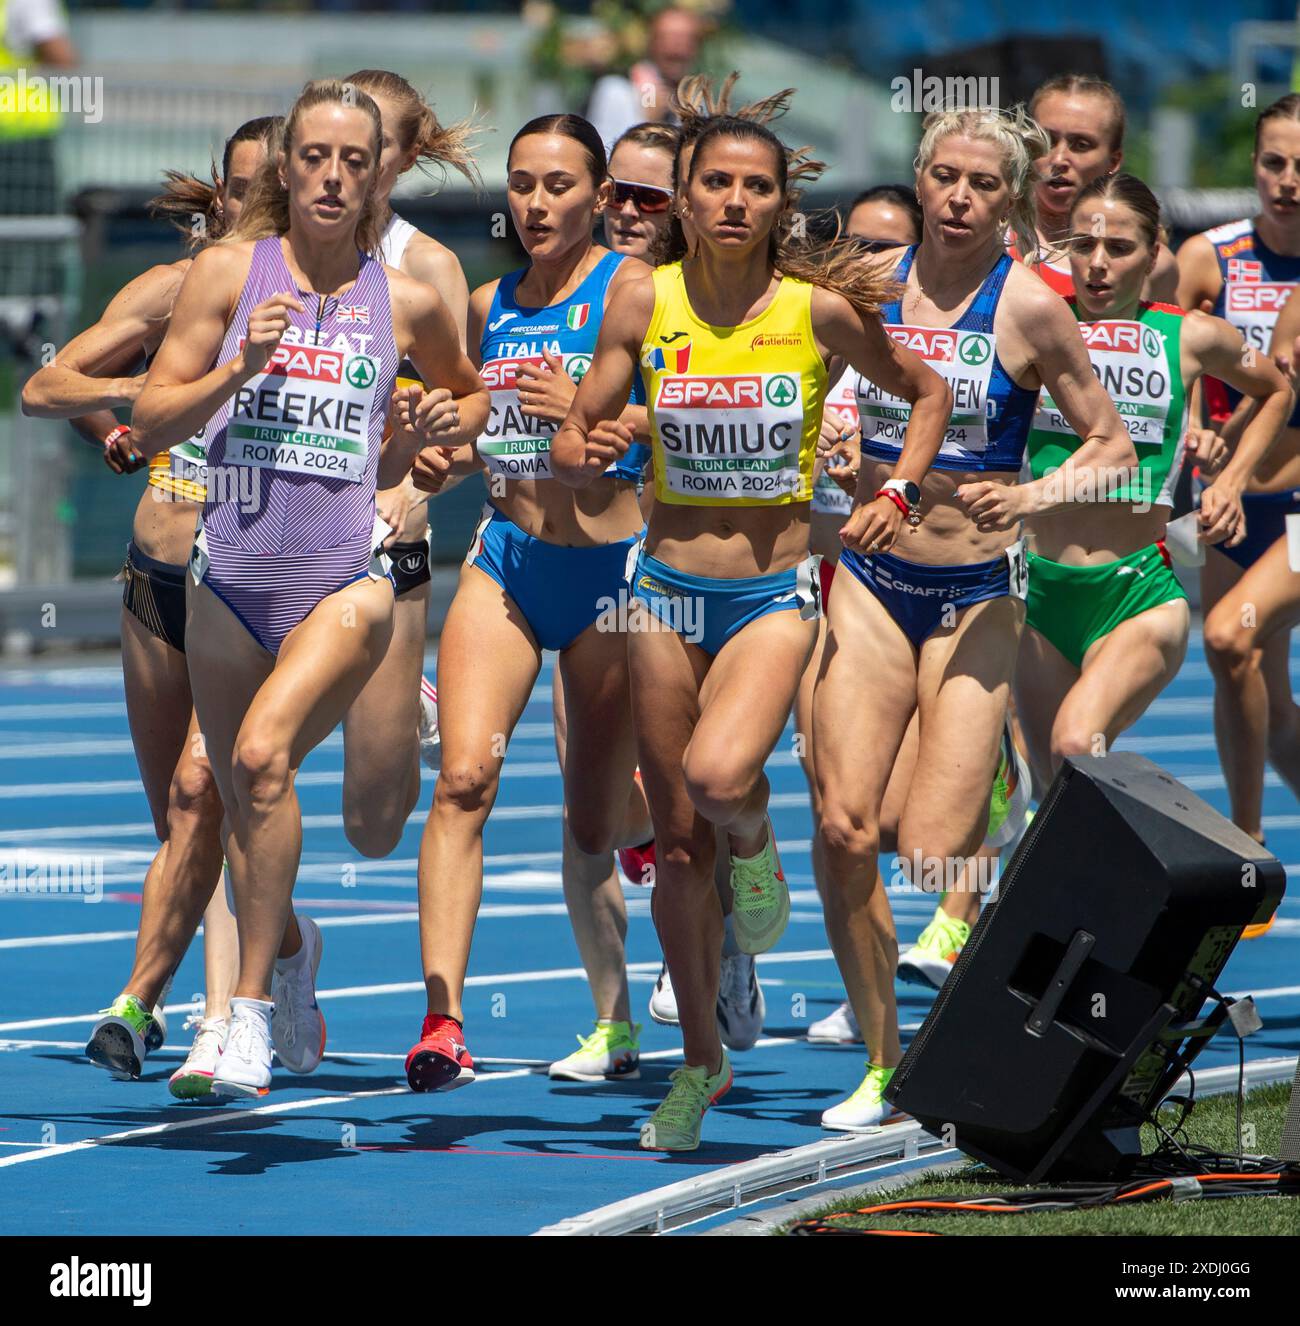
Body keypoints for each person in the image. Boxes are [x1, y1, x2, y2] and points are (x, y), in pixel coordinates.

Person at [553, 111, 952, 1151]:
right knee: (676, 842)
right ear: (683, 198)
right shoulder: (644, 293)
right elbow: (594, 409)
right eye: (715, 184)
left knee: (723, 778)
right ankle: (700, 1061)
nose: (734, 202)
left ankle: (760, 841)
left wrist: (900, 496)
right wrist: (578, 434)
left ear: (782, 203)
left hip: (773, 591)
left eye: (756, 187)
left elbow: (928, 393)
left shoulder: (816, 312)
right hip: (664, 589)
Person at [131, 78, 488, 1098]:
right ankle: (286, 961)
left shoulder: (410, 294)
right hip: (228, 580)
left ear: (381, 176)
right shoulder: (226, 274)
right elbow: (152, 423)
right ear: (285, 169)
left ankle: (240, 1018)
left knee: (260, 760)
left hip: (347, 579)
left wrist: (429, 452)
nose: (333, 177)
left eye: (354, 162)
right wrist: (238, 371)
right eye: (315, 159)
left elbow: (469, 400)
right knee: (236, 796)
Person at [812, 107, 1138, 1132]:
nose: (958, 198)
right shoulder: (862, 286)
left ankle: (985, 784)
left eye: (981, 185)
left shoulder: (1031, 308)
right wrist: (821, 422)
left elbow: (1112, 445)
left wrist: (1030, 498)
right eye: (942, 178)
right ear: (917, 181)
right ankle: (880, 1059)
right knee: (840, 824)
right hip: (869, 580)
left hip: (973, 593)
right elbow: (805, 382)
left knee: (927, 847)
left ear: (1011, 197)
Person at [20, 117, 281, 1091]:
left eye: (273, 189)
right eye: (240, 188)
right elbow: (47, 386)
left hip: (250, 587)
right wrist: (146, 398)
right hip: (153, 584)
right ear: (218, 198)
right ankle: (281, 949)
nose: (253, 207)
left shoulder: (330, 308)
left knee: (197, 792)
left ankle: (141, 1006)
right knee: (184, 830)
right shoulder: (171, 292)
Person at [403, 113, 653, 1095]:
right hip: (506, 560)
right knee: (463, 779)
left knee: (592, 822)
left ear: (596, 195)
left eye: (558, 184)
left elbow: (662, 434)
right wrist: (439, 450)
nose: (536, 202)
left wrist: (589, 428)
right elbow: (468, 421)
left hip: (611, 579)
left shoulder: (629, 293)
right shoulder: (483, 304)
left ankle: (615, 1011)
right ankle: (443, 1021)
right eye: (522, 183)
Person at [1017, 175, 1290, 822]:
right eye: (1084, 244)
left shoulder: (1190, 336)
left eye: (1119, 247)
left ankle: (1200, 844)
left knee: (1077, 744)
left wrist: (1228, 478)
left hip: (1136, 591)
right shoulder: (1032, 326)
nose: (1099, 263)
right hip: (1038, 594)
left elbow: (1275, 386)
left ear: (1153, 252)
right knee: (1053, 791)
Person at [546, 119, 680, 1084]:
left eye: (651, 198)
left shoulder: (693, 302)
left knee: (693, 791)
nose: (629, 211)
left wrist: (606, 421)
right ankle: (614, 1022)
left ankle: (729, 909)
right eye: (618, 194)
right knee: (589, 814)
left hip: (672, 573)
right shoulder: (556, 287)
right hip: (560, 563)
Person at [1178, 93, 1300, 889]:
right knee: (1252, 675)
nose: (1289, 181)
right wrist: (1194, 427)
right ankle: (1249, 841)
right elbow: (1175, 347)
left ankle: (1247, 841)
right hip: (1231, 501)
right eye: (1274, 162)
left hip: (1296, 507)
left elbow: (1280, 386)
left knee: (1226, 636)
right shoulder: (1211, 256)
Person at [1017, 74, 1178, 302]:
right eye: (1047, 141)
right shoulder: (989, 244)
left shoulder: (1156, 266)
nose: (1059, 158)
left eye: (1081, 145)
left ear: (1113, 161)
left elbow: (1175, 332)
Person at [586, 5, 703, 149]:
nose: (679, 45)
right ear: (652, 43)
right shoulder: (617, 89)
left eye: (688, 38)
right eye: (669, 37)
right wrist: (649, 123)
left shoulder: (697, 100)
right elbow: (602, 154)